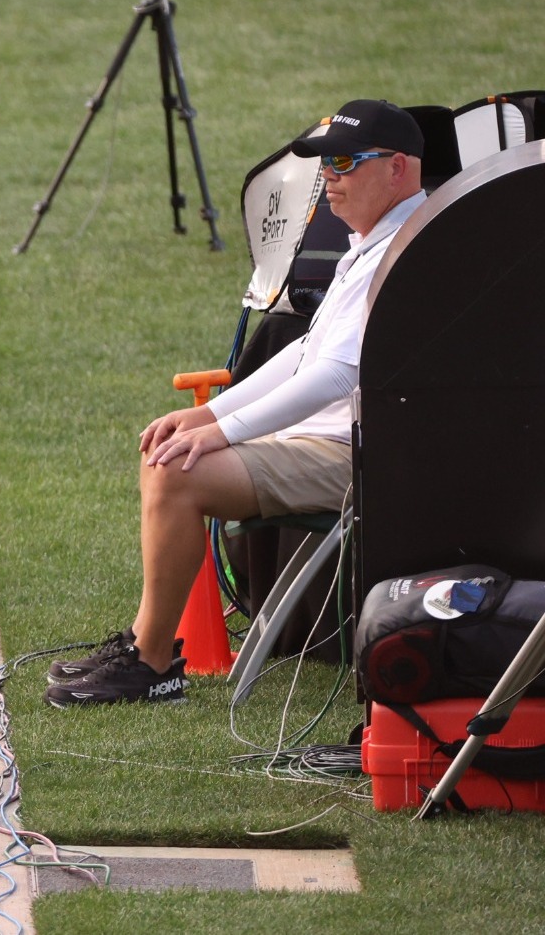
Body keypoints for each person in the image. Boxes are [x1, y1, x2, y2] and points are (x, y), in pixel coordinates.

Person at [45, 99, 428, 707]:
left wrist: (222, 432)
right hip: (334, 442)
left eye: (345, 162)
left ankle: (150, 664)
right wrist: (209, 414)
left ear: (398, 168)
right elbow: (306, 351)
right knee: (170, 453)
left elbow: (337, 374)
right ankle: (146, 648)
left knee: (176, 470)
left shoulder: (401, 248)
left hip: (357, 455)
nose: (328, 178)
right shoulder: (375, 240)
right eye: (324, 164)